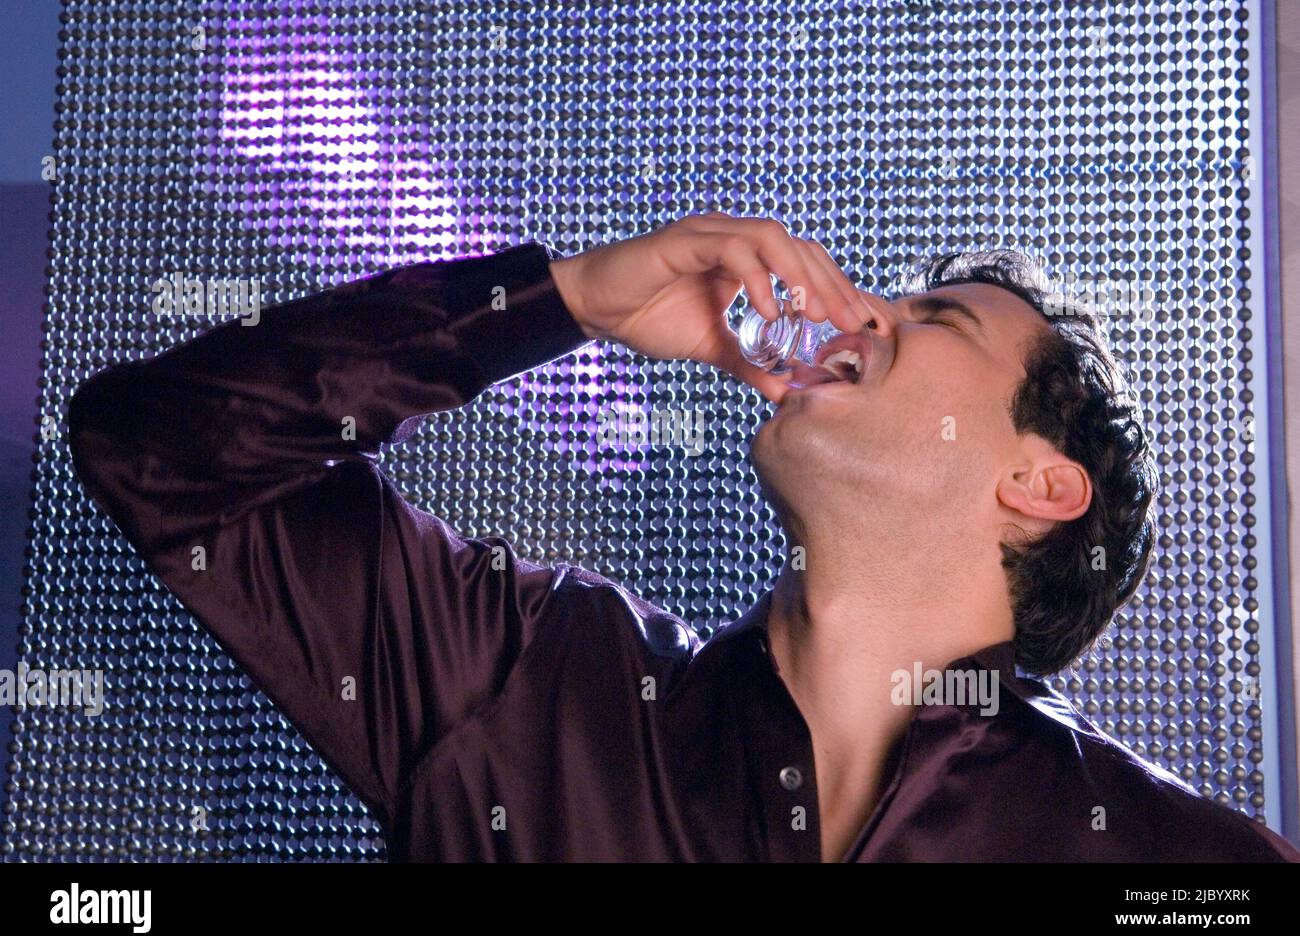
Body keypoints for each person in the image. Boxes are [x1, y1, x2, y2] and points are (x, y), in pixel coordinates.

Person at [68, 212, 1300, 861]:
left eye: (934, 319)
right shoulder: (531, 678)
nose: (859, 308)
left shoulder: (1159, 855)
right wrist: (563, 299)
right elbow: (159, 449)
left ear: (1041, 486)